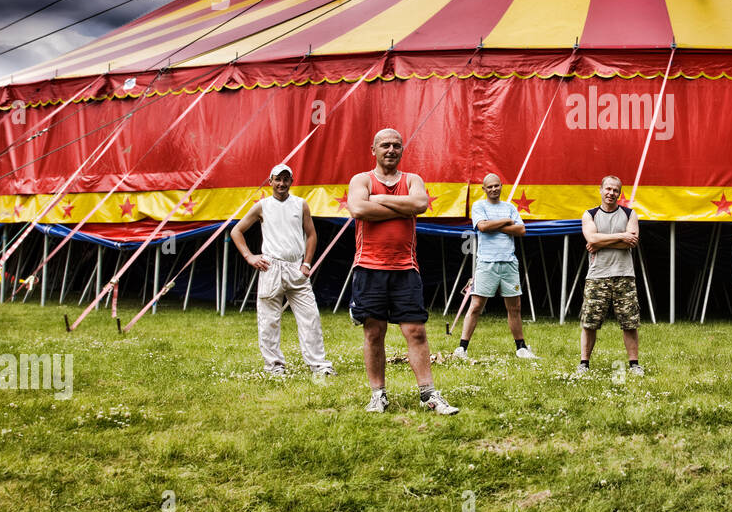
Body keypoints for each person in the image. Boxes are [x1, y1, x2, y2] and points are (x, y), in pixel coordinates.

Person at [346, 128, 458, 415]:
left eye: (397, 145)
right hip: (369, 267)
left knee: (416, 332)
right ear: (374, 149)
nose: (391, 150)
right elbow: (358, 209)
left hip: (405, 268)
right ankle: (377, 395)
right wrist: (402, 208)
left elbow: (420, 204)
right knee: (374, 332)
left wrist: (378, 201)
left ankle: (428, 395)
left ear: (402, 150)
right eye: (385, 145)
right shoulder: (361, 179)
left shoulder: (413, 180)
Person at [230, 163, 335, 378]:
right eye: (277, 179)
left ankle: (319, 365)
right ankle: (274, 366)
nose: (281, 184)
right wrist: (249, 256)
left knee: (310, 316)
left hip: (295, 267)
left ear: (291, 182)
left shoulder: (301, 204)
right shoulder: (262, 206)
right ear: (270, 181)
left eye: (286, 179)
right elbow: (236, 231)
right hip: (271, 266)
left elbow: (311, 234)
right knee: (269, 319)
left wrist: (307, 263)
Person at [453, 173, 537, 360]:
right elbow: (481, 227)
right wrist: (507, 222)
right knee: (476, 305)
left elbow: (521, 230)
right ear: (484, 189)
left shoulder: (509, 207)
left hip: (509, 262)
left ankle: (521, 347)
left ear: (501, 186)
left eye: (496, 186)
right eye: (489, 187)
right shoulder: (479, 206)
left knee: (514, 307)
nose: (493, 189)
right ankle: (462, 348)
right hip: (486, 262)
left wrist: (494, 225)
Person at [577, 176, 643, 377]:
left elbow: (631, 241)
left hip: (624, 275)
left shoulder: (629, 214)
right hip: (597, 276)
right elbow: (591, 238)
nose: (611, 193)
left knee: (629, 323)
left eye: (615, 190)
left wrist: (600, 241)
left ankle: (634, 364)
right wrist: (621, 236)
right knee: (590, 323)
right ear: (600, 190)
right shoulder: (590, 215)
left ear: (619, 193)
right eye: (608, 189)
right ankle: (584, 363)